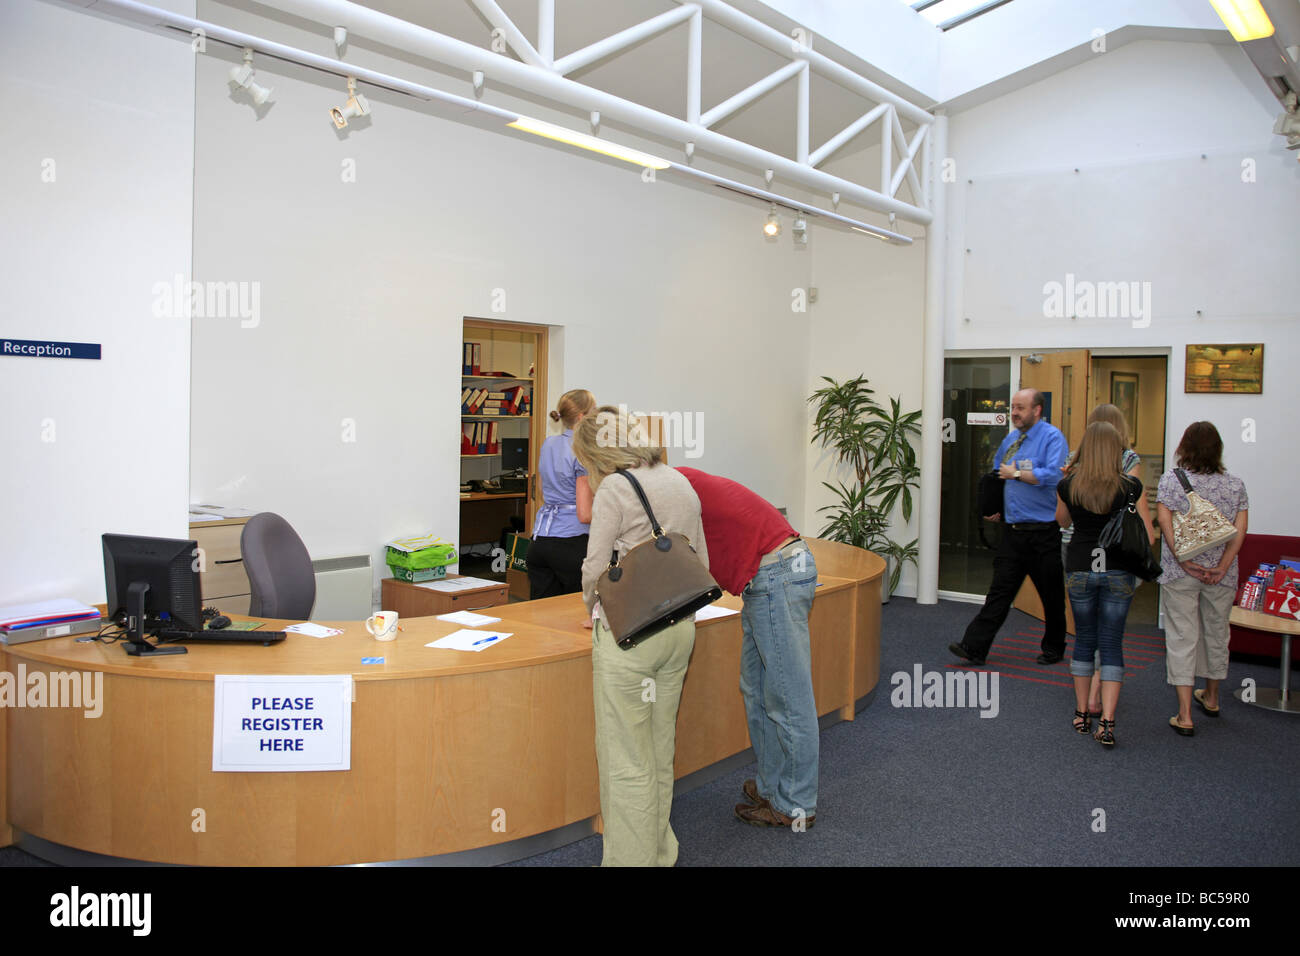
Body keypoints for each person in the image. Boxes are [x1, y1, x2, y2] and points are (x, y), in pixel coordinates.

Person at [572, 405, 707, 866]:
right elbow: (698, 557)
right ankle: (659, 852)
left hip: (630, 638)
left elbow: (594, 567)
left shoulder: (614, 487)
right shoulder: (679, 479)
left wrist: (591, 605)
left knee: (626, 760)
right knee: (658, 748)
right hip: (679, 631)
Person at [677, 466, 819, 830]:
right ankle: (774, 788)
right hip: (766, 576)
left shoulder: (674, 491)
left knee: (788, 698)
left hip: (776, 574)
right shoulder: (678, 483)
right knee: (757, 691)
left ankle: (796, 804)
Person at [950, 388, 1069, 666]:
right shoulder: (1011, 439)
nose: (1014, 413)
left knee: (1051, 596)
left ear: (1037, 410)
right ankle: (974, 647)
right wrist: (996, 507)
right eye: (1013, 407)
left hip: (1043, 533)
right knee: (999, 593)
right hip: (1013, 533)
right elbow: (997, 473)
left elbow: (1053, 477)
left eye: (1020, 408)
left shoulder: (1052, 438)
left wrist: (1017, 473)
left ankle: (1054, 648)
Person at [1055, 422, 1156, 746]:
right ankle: (1108, 722)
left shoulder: (1068, 484)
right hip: (1117, 570)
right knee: (1111, 644)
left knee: (1084, 640)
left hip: (1081, 566)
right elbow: (1140, 524)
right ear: (1117, 451)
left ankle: (1082, 714)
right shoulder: (1130, 487)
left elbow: (1062, 521)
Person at [1156, 422, 1248, 737]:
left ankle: (1184, 715)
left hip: (1181, 572)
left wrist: (1186, 561)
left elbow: (1165, 524)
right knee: (1217, 633)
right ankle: (1211, 697)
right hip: (1221, 576)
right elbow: (1239, 532)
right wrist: (1221, 566)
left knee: (1183, 636)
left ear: (1185, 447)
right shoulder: (1235, 485)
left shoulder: (1171, 480)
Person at [527, 389, 597, 599]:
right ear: (582, 417)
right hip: (571, 542)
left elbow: (541, 489)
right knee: (575, 613)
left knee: (542, 614)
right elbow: (585, 514)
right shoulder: (582, 449)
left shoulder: (549, 443)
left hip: (540, 539)